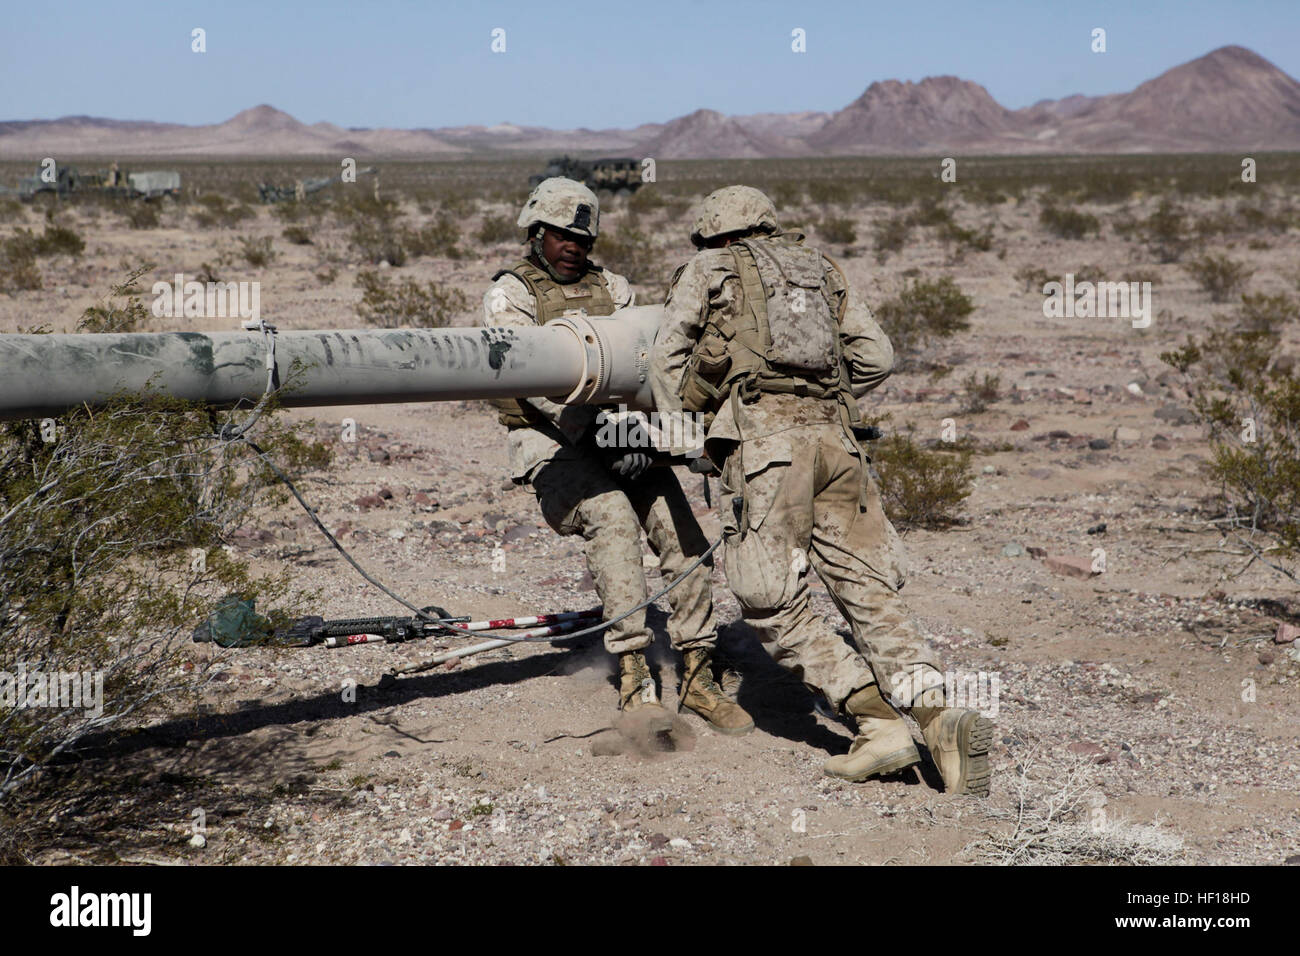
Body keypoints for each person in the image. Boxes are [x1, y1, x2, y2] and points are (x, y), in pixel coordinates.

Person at [649, 185, 992, 794]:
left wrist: (692, 436)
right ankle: (939, 715)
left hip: (766, 449)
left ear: (717, 236)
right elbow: (877, 358)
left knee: (768, 597)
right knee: (866, 586)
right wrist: (825, 399)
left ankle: (875, 721)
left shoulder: (709, 269)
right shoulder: (822, 269)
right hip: (840, 443)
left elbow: (665, 361)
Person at [480, 177, 752, 735]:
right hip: (554, 444)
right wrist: (605, 433)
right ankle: (634, 674)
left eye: (582, 237)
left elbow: (651, 363)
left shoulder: (616, 289)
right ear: (535, 233)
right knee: (613, 520)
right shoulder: (511, 296)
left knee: (684, 537)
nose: (573, 246)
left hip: (626, 435)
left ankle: (698, 672)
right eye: (559, 235)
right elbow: (532, 384)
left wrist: (648, 434)